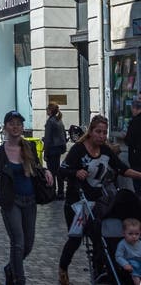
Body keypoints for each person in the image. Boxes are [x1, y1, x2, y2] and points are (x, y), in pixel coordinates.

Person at [58, 114, 141, 285]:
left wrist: (140, 175)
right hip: (77, 202)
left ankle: (101, 270)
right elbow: (62, 170)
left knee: (99, 237)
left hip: (97, 202)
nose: (102, 136)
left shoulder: (106, 151)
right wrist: (75, 172)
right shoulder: (78, 150)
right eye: (98, 132)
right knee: (75, 239)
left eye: (104, 132)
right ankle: (63, 268)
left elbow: (122, 169)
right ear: (91, 132)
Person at [0, 110, 53, 285]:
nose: (15, 127)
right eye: (12, 123)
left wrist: (46, 171)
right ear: (5, 127)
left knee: (28, 245)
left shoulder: (29, 147)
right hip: (11, 202)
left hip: (30, 200)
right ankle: (19, 280)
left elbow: (37, 167)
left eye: (19, 124)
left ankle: (11, 268)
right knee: (18, 242)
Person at [43, 102, 66, 200]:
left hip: (52, 149)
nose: (46, 111)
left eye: (47, 109)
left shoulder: (50, 121)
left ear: (50, 110)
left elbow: (48, 138)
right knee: (57, 171)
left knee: (52, 172)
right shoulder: (59, 120)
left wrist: (45, 152)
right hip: (58, 149)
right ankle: (60, 192)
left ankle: (53, 192)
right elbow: (63, 134)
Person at [116, 217, 141, 285]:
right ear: (124, 234)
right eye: (130, 234)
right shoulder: (122, 244)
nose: (134, 236)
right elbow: (118, 256)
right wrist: (125, 264)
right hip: (130, 261)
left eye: (137, 234)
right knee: (135, 271)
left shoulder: (139, 243)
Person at [126, 99, 141, 195]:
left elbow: (129, 140)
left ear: (135, 108)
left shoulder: (134, 122)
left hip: (137, 161)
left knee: (138, 189)